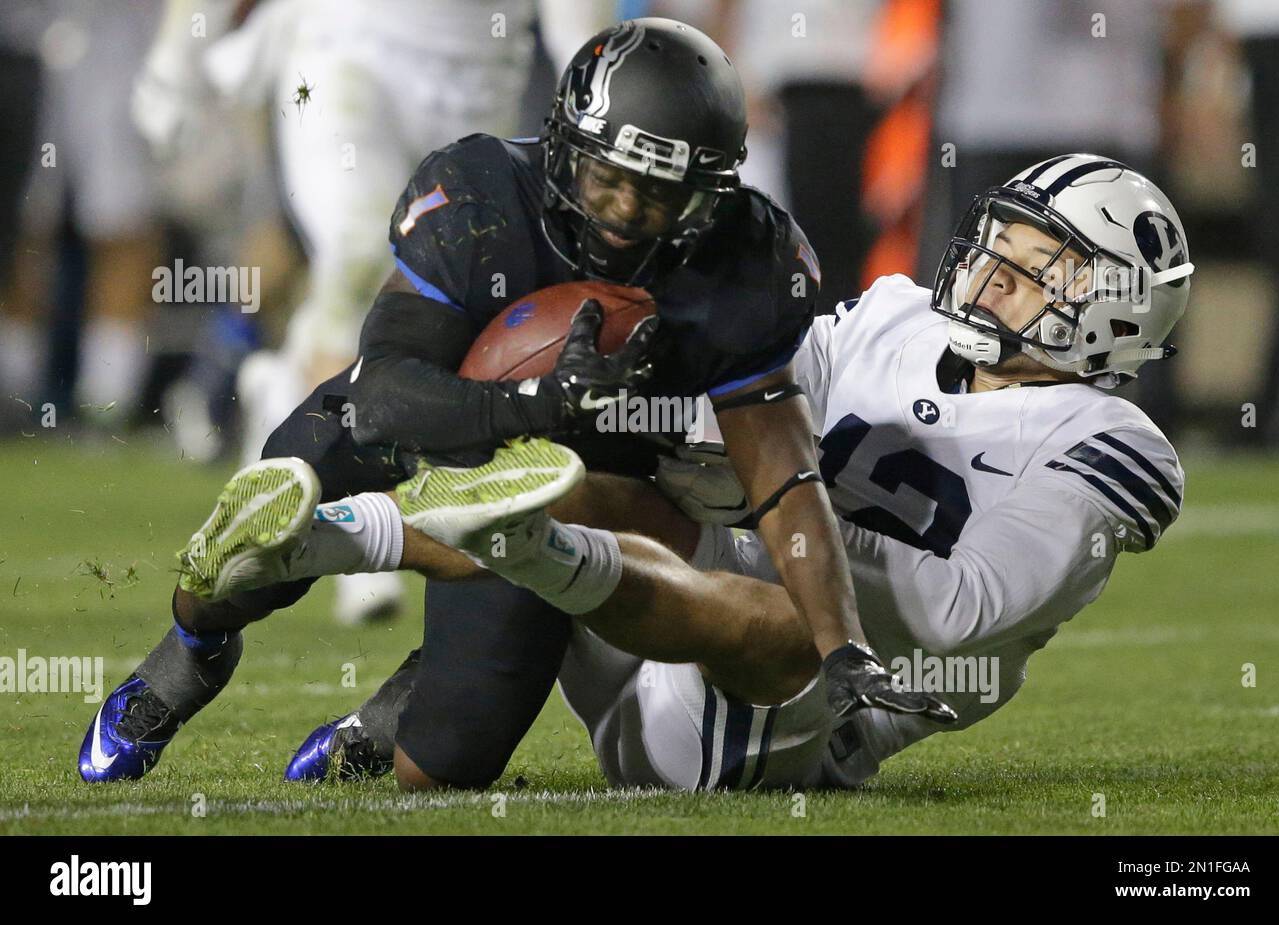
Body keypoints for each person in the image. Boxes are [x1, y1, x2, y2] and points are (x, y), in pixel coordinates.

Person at [78, 18, 905, 789]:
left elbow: (785, 478)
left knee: (438, 771)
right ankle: (188, 656)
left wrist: (843, 647)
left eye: (657, 195)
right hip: (417, 424)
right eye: (608, 177)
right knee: (252, 536)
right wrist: (540, 400)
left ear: (712, 197)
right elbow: (388, 394)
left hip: (544, 491)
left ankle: (409, 694)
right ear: (561, 146)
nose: (623, 214)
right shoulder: (479, 196)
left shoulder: (742, 261)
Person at [246, 154, 1191, 789]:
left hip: (780, 712)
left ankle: (404, 562)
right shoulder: (905, 314)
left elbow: (961, 610)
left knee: (738, 579)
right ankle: (352, 595)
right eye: (1001, 245)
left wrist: (750, 524)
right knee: (574, 443)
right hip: (667, 601)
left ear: (1117, 311)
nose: (994, 273)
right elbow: (761, 400)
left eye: (1039, 267)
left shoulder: (1107, 439)